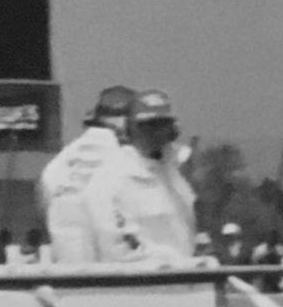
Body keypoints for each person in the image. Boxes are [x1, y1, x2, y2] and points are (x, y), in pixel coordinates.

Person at [71, 88, 198, 264]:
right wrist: (174, 262)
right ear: (131, 127)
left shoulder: (174, 176)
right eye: (148, 124)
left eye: (163, 124)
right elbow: (117, 248)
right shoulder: (111, 178)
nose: (157, 132)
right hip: (138, 285)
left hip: (187, 281)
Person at [39, 84, 135, 262]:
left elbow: (44, 208)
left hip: (69, 275)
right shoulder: (129, 160)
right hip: (120, 272)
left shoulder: (57, 165)